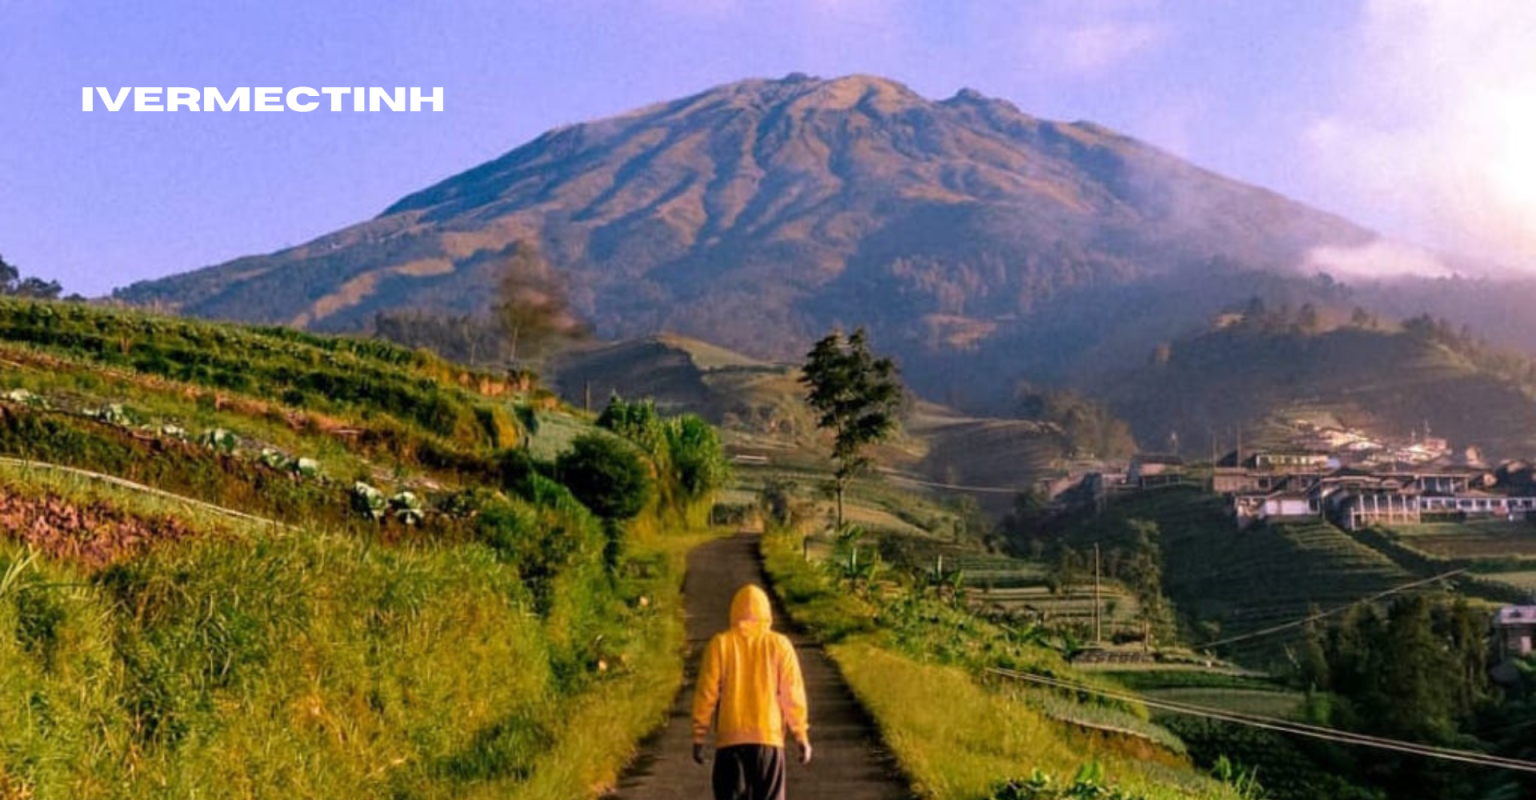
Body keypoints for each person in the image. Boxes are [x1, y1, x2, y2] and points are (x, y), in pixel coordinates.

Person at [691, 584, 812, 799]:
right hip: (768, 741)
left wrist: (699, 736)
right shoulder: (780, 645)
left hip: (729, 743)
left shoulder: (720, 645)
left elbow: (706, 693)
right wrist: (800, 734)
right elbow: (792, 693)